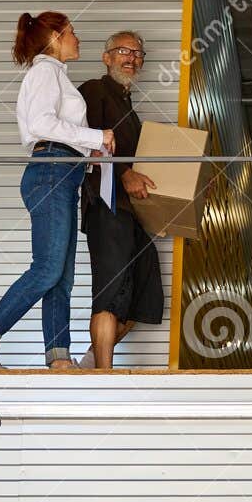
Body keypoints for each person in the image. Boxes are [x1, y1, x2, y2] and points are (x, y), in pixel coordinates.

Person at [0, 11, 113, 371]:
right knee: (47, 268)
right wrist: (96, 136)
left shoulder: (56, 75)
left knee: (61, 274)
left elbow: (58, 131)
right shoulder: (45, 72)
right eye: (72, 32)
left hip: (63, 172)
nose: (78, 39)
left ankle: (58, 358)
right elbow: (43, 125)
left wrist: (94, 154)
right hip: (52, 172)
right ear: (55, 37)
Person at [78, 30, 165, 370]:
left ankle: (90, 360)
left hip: (131, 213)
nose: (132, 57)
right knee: (109, 291)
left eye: (138, 53)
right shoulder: (94, 90)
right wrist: (123, 172)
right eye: (123, 51)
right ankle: (102, 373)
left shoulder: (130, 109)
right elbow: (83, 142)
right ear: (107, 57)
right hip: (105, 204)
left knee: (146, 295)